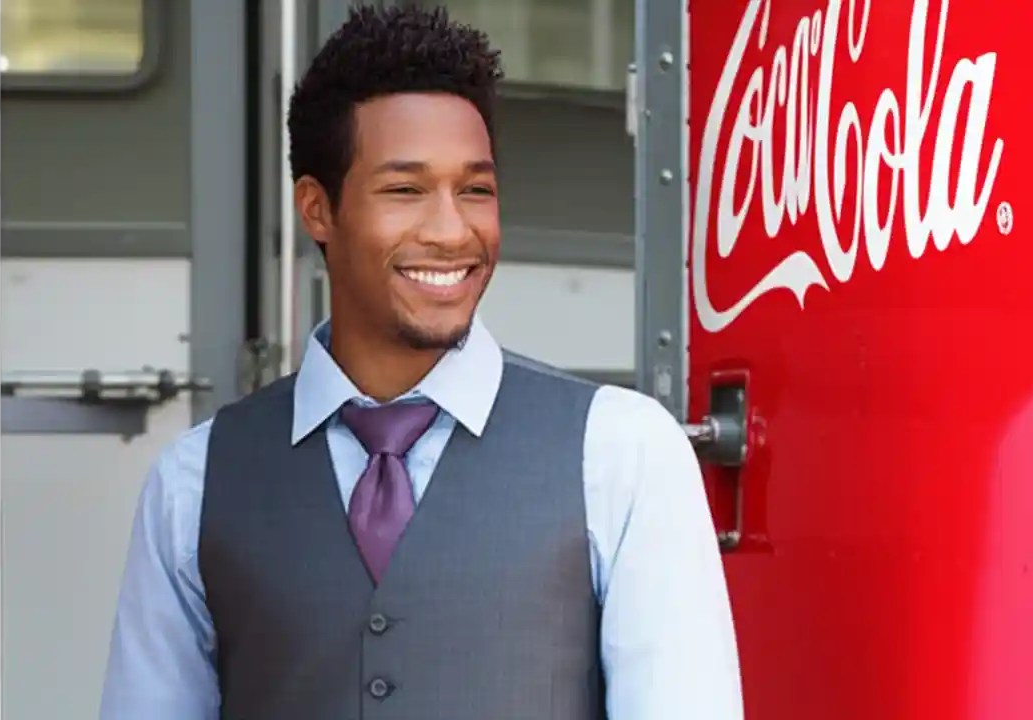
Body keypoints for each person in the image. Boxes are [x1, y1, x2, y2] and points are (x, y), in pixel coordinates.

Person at [99, 5, 742, 719]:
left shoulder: (624, 453)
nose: (451, 230)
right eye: (405, 191)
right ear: (317, 209)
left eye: (475, 190)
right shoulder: (192, 483)